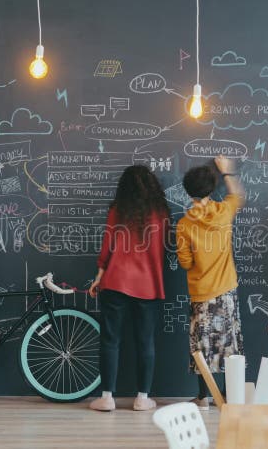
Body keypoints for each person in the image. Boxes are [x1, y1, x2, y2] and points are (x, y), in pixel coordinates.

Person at [88, 165, 169, 412]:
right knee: (145, 342)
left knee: (110, 340)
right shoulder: (162, 213)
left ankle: (107, 398)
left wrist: (99, 275)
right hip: (149, 284)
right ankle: (143, 398)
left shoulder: (118, 210)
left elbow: (108, 245)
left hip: (116, 281)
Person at [175, 155, 245, 411]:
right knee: (228, 342)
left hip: (201, 292)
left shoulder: (184, 225)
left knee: (200, 343)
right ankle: (226, 395)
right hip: (226, 288)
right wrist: (227, 172)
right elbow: (238, 195)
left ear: (188, 191)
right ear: (211, 188)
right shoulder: (224, 211)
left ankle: (203, 396)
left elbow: (184, 262)